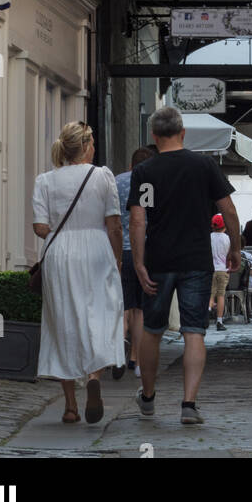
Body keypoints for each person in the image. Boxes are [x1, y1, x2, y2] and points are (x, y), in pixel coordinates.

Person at [128, 106, 241, 425]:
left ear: (154, 136)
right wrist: (235, 246)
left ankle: (148, 398)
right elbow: (228, 210)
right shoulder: (203, 165)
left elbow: (138, 220)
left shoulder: (145, 172)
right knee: (194, 332)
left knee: (152, 331)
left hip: (159, 260)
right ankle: (189, 404)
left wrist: (138, 262)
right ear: (183, 133)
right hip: (196, 259)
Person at [31, 121, 124, 425]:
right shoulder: (102, 176)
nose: (95, 147)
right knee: (100, 314)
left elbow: (40, 227)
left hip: (60, 253)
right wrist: (117, 259)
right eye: (93, 142)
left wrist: (63, 230)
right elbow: (114, 224)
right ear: (85, 147)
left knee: (63, 322)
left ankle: (70, 405)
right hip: (97, 249)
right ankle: (94, 375)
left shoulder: (45, 181)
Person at [113, 146, 154, 376]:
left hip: (120, 251)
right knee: (140, 309)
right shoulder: (153, 185)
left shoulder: (116, 182)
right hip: (145, 251)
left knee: (120, 306)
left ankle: (119, 350)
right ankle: (136, 360)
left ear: (131, 165)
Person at [209, 214, 231, 332]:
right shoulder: (226, 238)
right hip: (223, 269)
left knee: (210, 294)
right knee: (221, 295)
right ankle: (219, 321)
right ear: (225, 226)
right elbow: (229, 254)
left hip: (211, 269)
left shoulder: (209, 237)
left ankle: (207, 311)